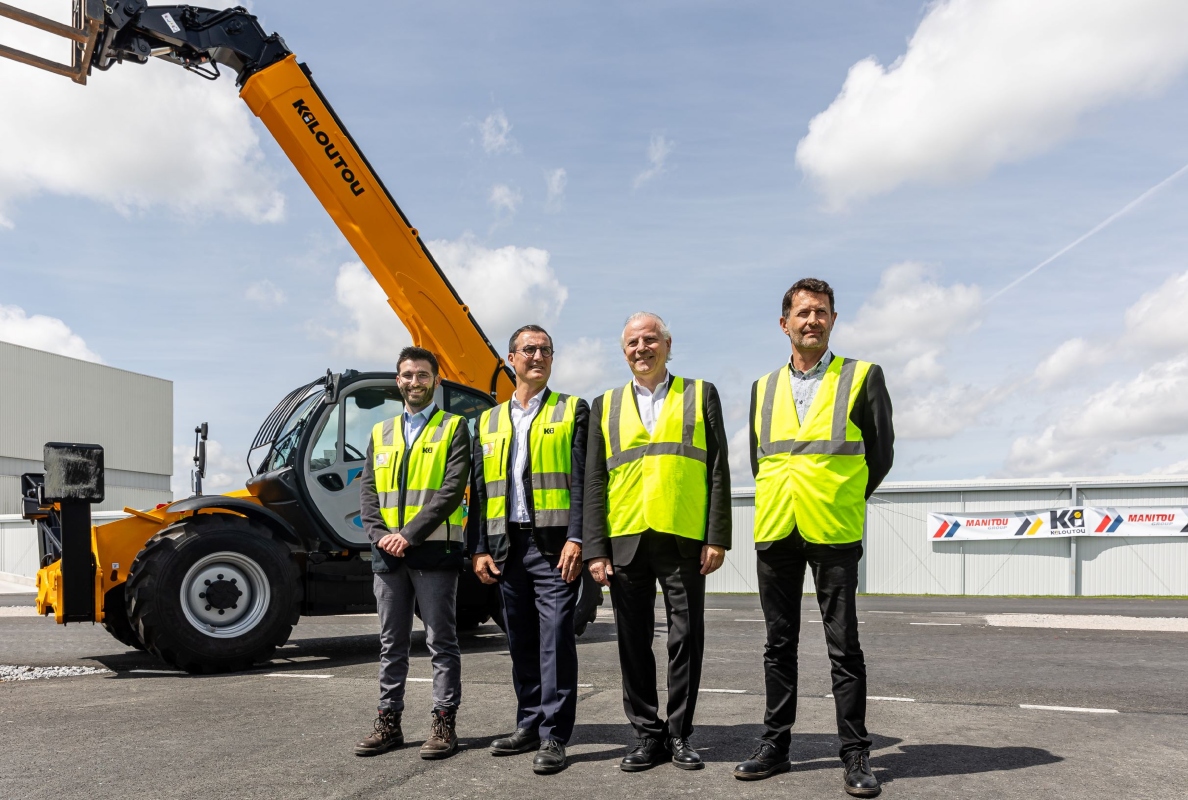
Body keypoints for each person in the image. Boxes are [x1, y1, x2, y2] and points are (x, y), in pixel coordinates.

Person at [733, 278, 893, 797]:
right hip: (777, 529)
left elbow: (880, 454)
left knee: (843, 646)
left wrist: (841, 496)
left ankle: (855, 754)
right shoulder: (761, 387)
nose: (812, 320)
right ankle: (775, 745)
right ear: (785, 324)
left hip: (833, 530)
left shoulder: (864, 376)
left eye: (821, 312)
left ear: (832, 321)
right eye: (802, 313)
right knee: (778, 645)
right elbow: (761, 458)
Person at [584, 311, 731, 772]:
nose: (641, 348)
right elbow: (592, 481)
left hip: (684, 537)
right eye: (632, 342)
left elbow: (719, 469)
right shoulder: (604, 404)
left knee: (686, 640)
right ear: (624, 351)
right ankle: (647, 734)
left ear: (668, 345)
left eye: (650, 339)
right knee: (633, 640)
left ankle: (680, 733)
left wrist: (717, 536)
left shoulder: (701, 394)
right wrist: (595, 547)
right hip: (625, 536)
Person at [469, 324, 590, 775]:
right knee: (519, 637)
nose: (538, 356)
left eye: (546, 350)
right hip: (506, 547)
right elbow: (480, 493)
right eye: (529, 350)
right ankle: (528, 722)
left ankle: (554, 736)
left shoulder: (573, 410)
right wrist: (479, 547)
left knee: (556, 636)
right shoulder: (487, 421)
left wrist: (578, 537)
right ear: (511, 358)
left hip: (554, 546)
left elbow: (582, 481)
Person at [354, 346, 472, 760]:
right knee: (392, 644)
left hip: (434, 551)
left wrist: (409, 534)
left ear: (435, 381)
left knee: (442, 641)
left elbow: (451, 489)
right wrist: (381, 535)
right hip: (388, 555)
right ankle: (389, 722)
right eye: (408, 375)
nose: (415, 382)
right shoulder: (380, 433)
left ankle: (443, 724)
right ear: (398, 381)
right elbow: (367, 492)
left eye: (423, 375)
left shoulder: (454, 427)